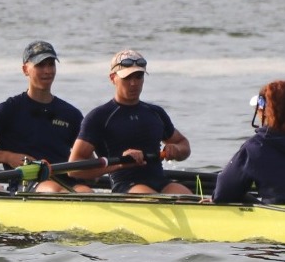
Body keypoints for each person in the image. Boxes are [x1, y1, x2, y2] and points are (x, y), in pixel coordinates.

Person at [0, 40, 87, 193]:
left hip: (65, 181)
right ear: (25, 69)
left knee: (87, 192)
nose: (47, 70)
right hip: (25, 183)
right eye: (40, 65)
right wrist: (7, 157)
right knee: (54, 190)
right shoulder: (8, 110)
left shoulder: (70, 113)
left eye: (51, 64)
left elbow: (85, 159)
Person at [67, 49, 192, 194]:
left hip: (160, 181)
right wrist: (120, 163)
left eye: (138, 76)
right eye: (127, 78)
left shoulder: (155, 113)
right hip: (125, 185)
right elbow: (74, 168)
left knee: (188, 197)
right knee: (151, 198)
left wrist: (176, 150)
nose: (133, 83)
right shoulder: (99, 117)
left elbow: (183, 144)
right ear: (113, 78)